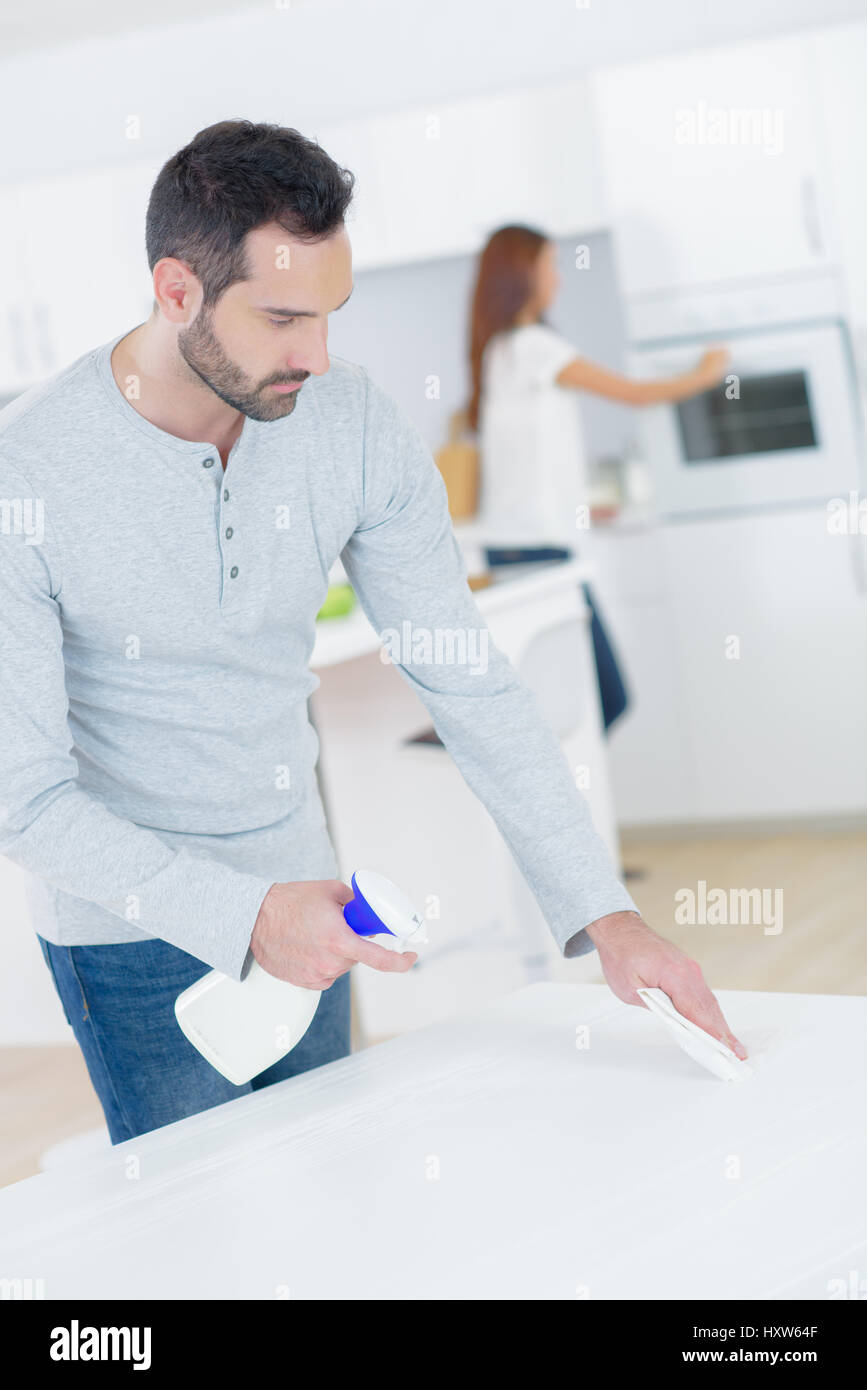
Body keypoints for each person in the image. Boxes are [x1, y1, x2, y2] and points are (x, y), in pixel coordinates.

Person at [0, 123, 747, 1145]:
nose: (317, 355)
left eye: (330, 314)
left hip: (308, 895)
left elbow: (468, 681)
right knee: (197, 1239)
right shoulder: (27, 473)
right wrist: (248, 918)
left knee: (323, 1197)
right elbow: (25, 796)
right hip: (127, 931)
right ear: (176, 291)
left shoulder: (347, 424)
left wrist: (603, 914)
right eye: (280, 317)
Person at [467, 224, 729, 730]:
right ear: (524, 274)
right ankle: (552, 804)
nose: (559, 279)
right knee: (600, 702)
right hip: (541, 550)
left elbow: (533, 456)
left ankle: (556, 804)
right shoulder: (534, 346)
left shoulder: (500, 350)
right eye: (551, 266)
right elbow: (636, 393)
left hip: (519, 546)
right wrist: (709, 372)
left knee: (574, 706)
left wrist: (581, 501)